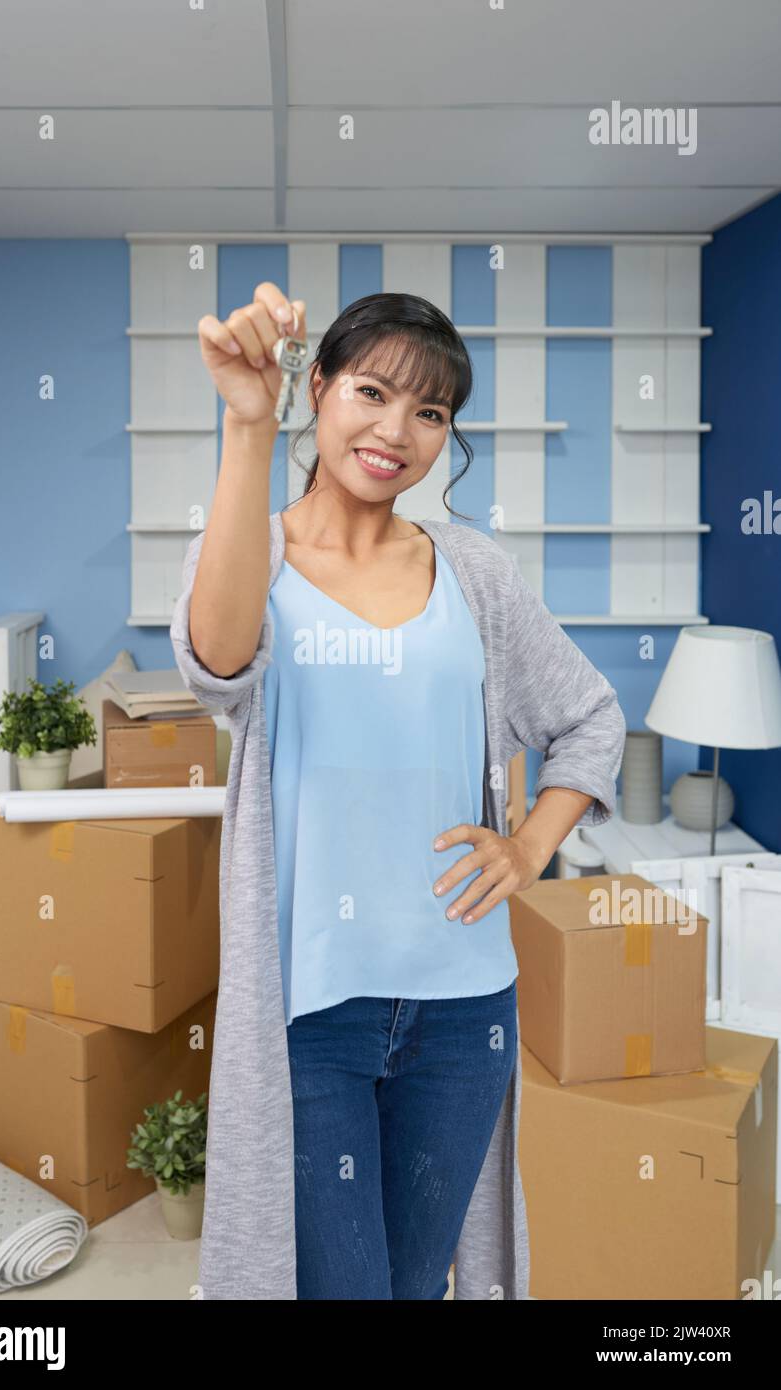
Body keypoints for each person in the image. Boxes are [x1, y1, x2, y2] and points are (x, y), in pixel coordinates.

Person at [177, 282, 625, 1299]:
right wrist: (249, 424)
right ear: (319, 387)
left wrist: (526, 847)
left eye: (430, 412)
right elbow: (216, 662)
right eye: (372, 392)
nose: (397, 431)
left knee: (418, 1287)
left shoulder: (477, 575)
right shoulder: (261, 559)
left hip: (464, 1010)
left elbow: (590, 717)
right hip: (312, 1011)